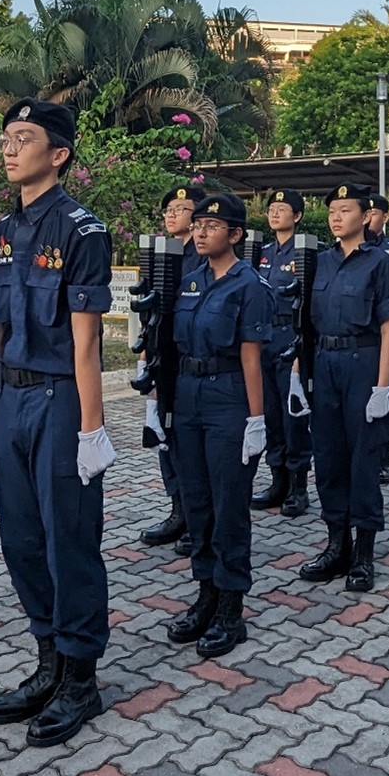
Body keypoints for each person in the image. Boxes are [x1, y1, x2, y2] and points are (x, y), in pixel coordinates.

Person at [0, 98, 117, 746]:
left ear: (57, 154)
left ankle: (82, 677)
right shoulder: (2, 232)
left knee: (69, 539)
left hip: (62, 401)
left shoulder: (83, 231)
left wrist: (92, 427)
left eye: (24, 138)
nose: (9, 148)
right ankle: (48, 662)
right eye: (6, 138)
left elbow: (87, 344)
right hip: (13, 400)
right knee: (21, 539)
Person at [164, 194, 272, 657]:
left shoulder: (250, 286)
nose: (202, 231)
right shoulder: (190, 282)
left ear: (235, 235)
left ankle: (231, 607)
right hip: (189, 397)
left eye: (213, 225)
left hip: (229, 397)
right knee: (198, 501)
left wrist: (256, 419)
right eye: (199, 224)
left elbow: (252, 358)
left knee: (229, 506)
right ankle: (205, 593)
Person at [293, 182, 389, 593]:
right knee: (329, 456)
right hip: (325, 364)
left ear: (365, 214)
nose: (336, 217)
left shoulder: (381, 264)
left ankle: (364, 554)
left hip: (363, 363)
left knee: (363, 460)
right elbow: (305, 325)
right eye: (333, 210)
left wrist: (382, 386)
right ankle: (336, 545)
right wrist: (297, 376)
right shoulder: (319, 263)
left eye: (345, 209)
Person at [139, 184, 207, 555]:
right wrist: (144, 360)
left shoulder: (203, 256)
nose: (172, 213)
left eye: (181, 208)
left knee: (188, 442)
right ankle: (178, 509)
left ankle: (198, 516)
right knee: (164, 436)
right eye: (169, 207)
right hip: (161, 360)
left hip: (191, 361)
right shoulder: (160, 253)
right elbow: (149, 314)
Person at [250, 188, 313, 518]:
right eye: (272, 208)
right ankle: (277, 481)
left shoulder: (305, 253)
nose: (275, 213)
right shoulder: (261, 252)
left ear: (297, 216)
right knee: (271, 414)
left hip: (291, 337)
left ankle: (298, 487)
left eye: (282, 209)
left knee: (294, 419)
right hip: (264, 338)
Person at [366, 192, 389, 486]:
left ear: (385, 217)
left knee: (384, 394)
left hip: (385, 333)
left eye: (373, 213)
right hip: (357, 335)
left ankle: (384, 457)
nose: (367, 218)